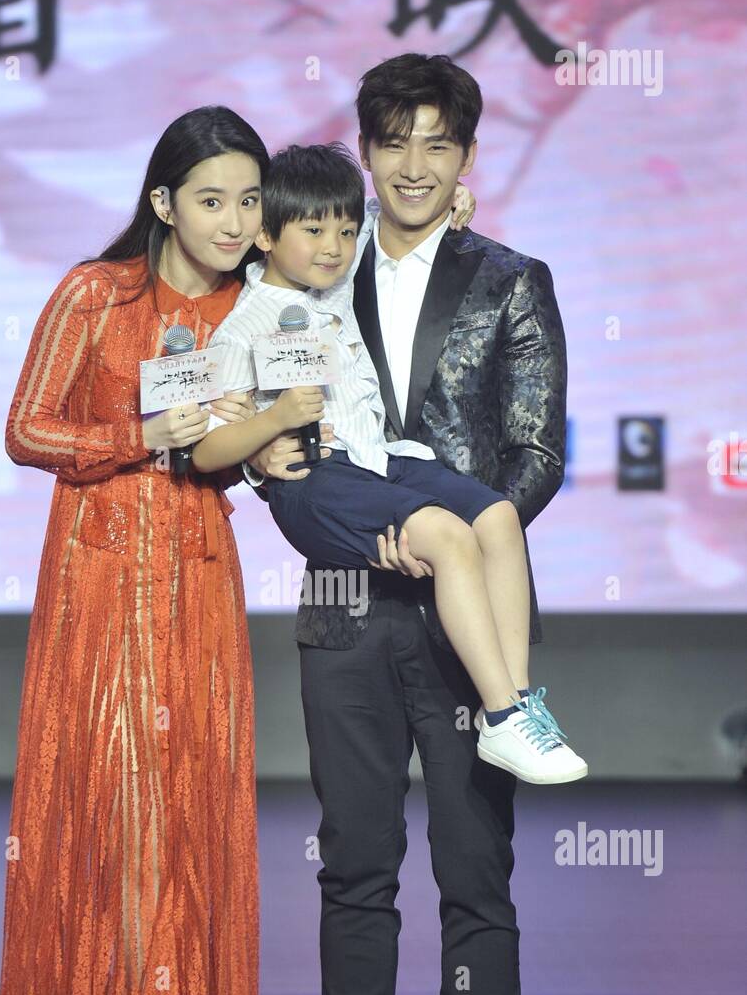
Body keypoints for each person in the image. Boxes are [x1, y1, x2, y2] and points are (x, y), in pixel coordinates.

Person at [232, 53, 568, 995]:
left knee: (477, 876)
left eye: (439, 144)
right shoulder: (306, 261)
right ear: (365, 153)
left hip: (464, 617)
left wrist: (451, 539)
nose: (415, 165)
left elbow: (536, 454)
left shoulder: (511, 279)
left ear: (466, 158)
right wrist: (285, 480)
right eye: (395, 143)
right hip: (339, 603)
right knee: (354, 870)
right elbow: (268, 427)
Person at [0, 106, 293, 995]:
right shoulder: (94, 292)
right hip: (97, 591)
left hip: (199, 590)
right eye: (210, 197)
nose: (232, 218)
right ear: (163, 202)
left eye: (248, 200)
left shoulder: (261, 313)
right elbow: (26, 429)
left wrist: (285, 436)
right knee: (110, 843)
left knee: (197, 843)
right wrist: (135, 437)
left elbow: (257, 451)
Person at [193, 143, 587, 786]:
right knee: (450, 536)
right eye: (315, 232)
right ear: (265, 234)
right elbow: (209, 442)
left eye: (345, 234)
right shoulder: (241, 327)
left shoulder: (340, 280)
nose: (333, 246)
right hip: (319, 479)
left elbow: (387, 224)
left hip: (382, 461)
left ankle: (513, 712)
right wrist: (264, 434)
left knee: (494, 515)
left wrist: (444, 205)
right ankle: (501, 709)